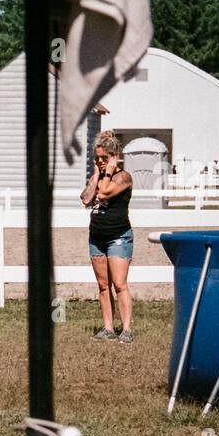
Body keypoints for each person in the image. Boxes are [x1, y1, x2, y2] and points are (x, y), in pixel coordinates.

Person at [82, 130, 134, 342]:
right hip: (97, 237)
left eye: (105, 158)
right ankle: (108, 328)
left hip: (118, 237)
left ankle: (127, 329)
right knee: (104, 286)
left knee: (120, 284)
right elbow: (86, 199)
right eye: (97, 158)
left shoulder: (123, 177)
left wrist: (110, 170)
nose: (101, 162)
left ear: (114, 156)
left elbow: (103, 193)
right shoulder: (98, 176)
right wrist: (96, 174)